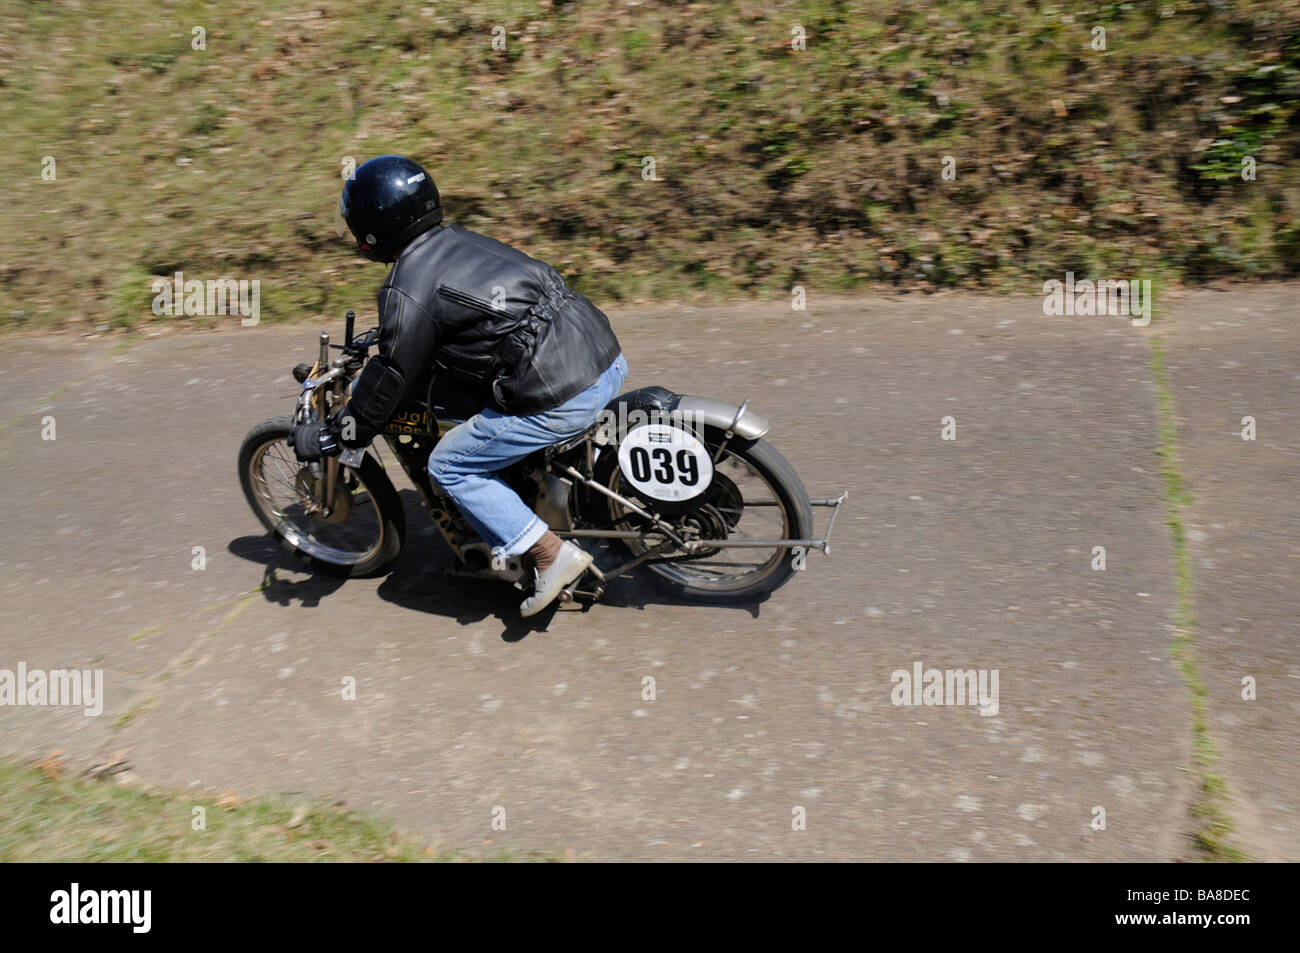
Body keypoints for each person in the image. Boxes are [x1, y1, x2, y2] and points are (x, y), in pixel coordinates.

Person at [292, 155, 625, 617]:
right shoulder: (460, 240)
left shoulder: (406, 283)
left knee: (449, 465)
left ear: (372, 228)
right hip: (601, 356)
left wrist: (340, 432)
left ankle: (550, 556)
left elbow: (391, 375)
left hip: (563, 391)